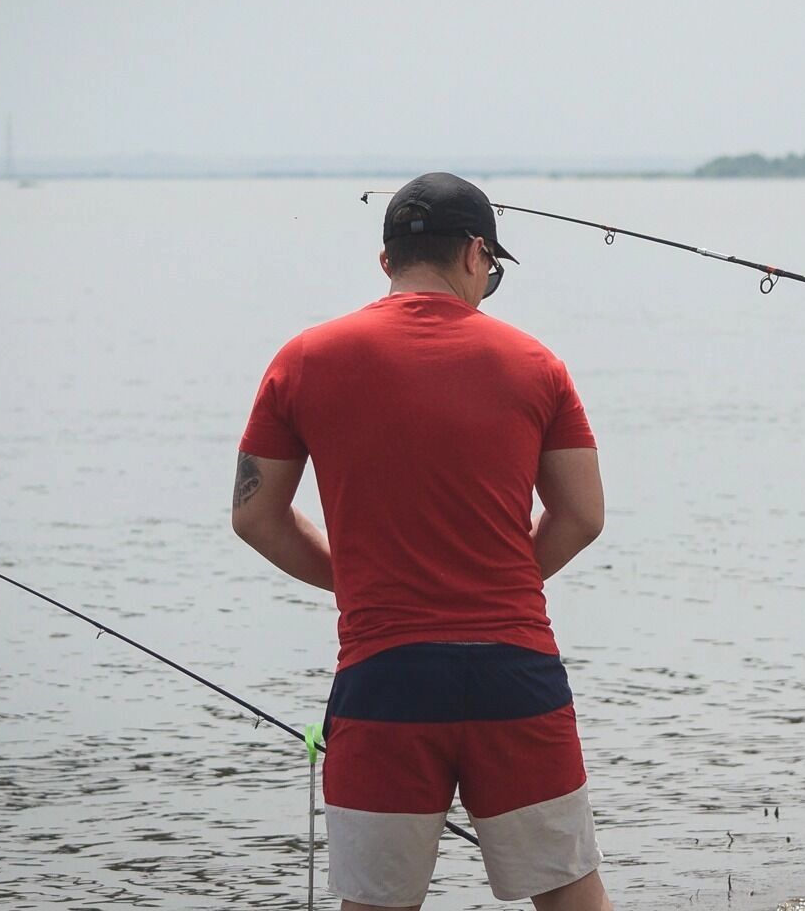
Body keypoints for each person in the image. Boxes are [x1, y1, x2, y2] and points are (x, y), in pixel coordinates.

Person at [231, 172, 613, 911]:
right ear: (477, 253)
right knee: (569, 894)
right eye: (493, 272)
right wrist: (495, 583)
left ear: (386, 264)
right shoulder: (537, 364)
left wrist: (372, 586)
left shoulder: (303, 360)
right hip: (516, 676)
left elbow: (257, 517)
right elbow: (583, 515)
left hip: (384, 678)